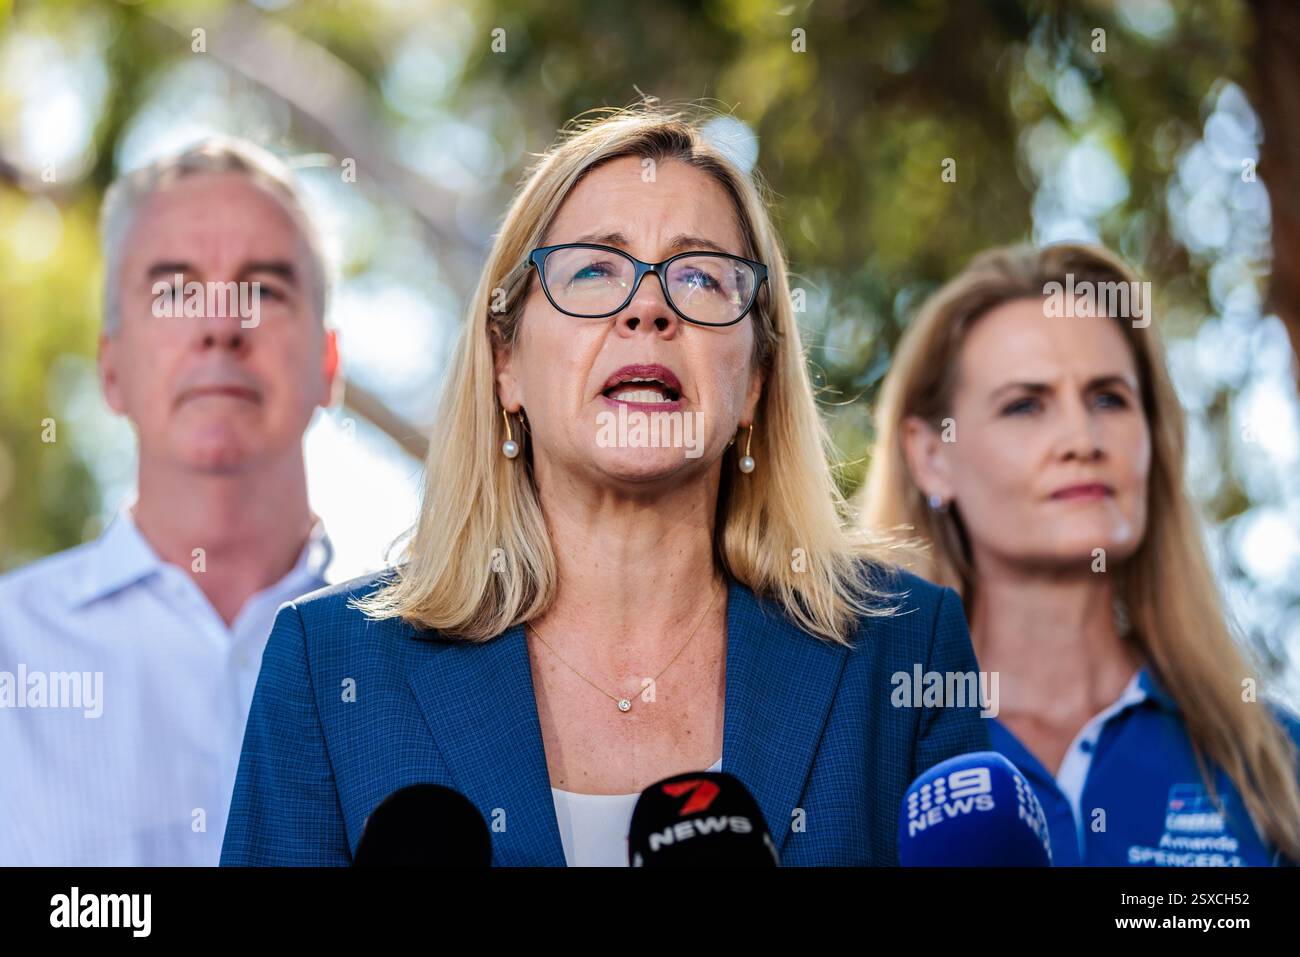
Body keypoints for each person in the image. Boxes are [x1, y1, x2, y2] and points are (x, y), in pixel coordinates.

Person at [220, 105, 989, 867]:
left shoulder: (902, 647)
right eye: (594, 269)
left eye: (699, 276)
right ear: (505, 363)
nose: (648, 308)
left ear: (755, 379)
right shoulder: (332, 667)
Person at [858, 242, 1300, 865]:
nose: (1081, 439)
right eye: (1026, 405)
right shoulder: (863, 747)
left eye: (1108, 399)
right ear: (933, 457)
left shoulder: (1273, 761)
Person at [0, 138, 339, 865]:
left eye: (264, 289)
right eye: (175, 291)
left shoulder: (426, 658)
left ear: (328, 365)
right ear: (111, 367)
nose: (220, 326)